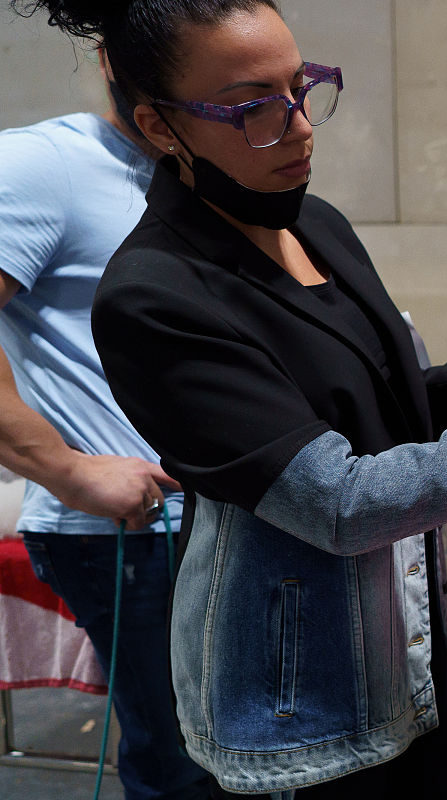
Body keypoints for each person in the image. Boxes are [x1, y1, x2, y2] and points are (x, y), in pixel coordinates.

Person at [35, 2, 447, 796]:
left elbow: (343, 400)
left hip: (400, 643)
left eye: (303, 88)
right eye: (254, 110)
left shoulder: (318, 224)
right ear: (161, 125)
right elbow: (336, 499)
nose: (301, 126)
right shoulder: (153, 296)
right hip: (298, 700)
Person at [0, 38, 211, 800]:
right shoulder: (43, 165)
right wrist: (65, 468)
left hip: (218, 516)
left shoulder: (192, 173)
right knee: (185, 761)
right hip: (128, 529)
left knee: (234, 751)